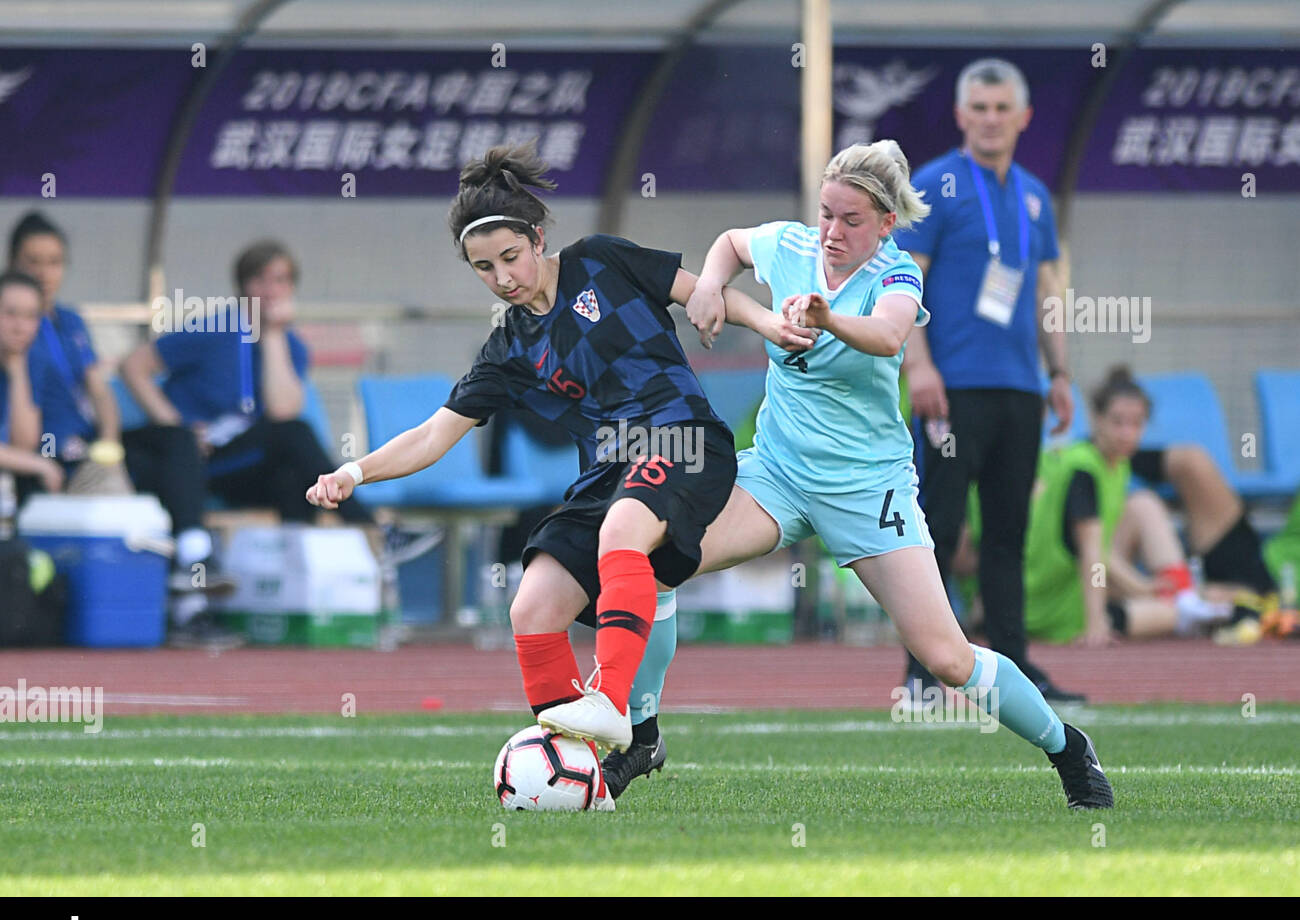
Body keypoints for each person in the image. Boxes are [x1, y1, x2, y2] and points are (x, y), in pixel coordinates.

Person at [616, 139, 1114, 810]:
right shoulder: (791, 247)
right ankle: (640, 737)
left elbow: (887, 336)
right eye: (826, 213)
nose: (832, 231)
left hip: (867, 489)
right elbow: (732, 244)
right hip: (779, 474)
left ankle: (1067, 748)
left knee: (947, 659)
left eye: (851, 220)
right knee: (655, 559)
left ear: (885, 223)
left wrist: (827, 318)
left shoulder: (898, 273)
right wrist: (709, 283)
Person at [306, 143, 749, 778]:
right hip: (607, 472)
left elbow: (701, 292)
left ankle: (614, 705)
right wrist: (352, 471)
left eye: (510, 257)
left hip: (683, 439)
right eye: (484, 268)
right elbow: (434, 435)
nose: (502, 276)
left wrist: (773, 326)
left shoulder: (600, 260)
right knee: (531, 605)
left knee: (624, 534)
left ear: (538, 239)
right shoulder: (510, 347)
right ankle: (583, 767)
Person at [893, 58, 1081, 703]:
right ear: (961, 115)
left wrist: (1058, 373)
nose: (991, 119)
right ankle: (922, 671)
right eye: (980, 107)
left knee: (1007, 535)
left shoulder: (1033, 195)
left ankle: (1017, 670)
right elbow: (904, 282)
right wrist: (918, 365)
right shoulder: (933, 185)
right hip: (952, 387)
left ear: (1023, 117)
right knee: (938, 527)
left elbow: (1044, 292)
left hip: (1020, 388)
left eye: (1003, 108)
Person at [120, 240, 380, 645]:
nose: (272, 290)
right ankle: (367, 527)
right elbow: (134, 366)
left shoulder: (289, 344)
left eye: (281, 281)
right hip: (183, 459)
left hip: (234, 463)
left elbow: (283, 411)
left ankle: (295, 602)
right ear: (243, 285)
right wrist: (176, 426)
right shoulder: (214, 329)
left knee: (293, 459)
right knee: (285, 441)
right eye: (262, 279)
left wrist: (273, 335)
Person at [1020, 368, 1235, 645]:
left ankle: (1183, 594)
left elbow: (1103, 551)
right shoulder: (1082, 469)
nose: (1127, 433)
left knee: (1145, 503)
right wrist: (1095, 624)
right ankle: (1183, 605)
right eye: (1118, 422)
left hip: (1081, 582)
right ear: (1096, 419)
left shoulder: (1117, 465)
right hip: (1054, 603)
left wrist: (1143, 587)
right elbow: (1090, 551)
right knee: (1172, 614)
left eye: (1136, 424)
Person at [8, 212, 128, 492]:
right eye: (33, 262)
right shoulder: (11, 333)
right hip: (48, 449)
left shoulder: (71, 321)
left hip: (85, 442)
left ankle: (189, 533)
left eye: (54, 262)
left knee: (172, 442)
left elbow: (98, 389)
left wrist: (109, 443)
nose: (43, 273)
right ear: (12, 264)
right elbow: (23, 440)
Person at [0, 269, 63, 496]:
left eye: (30, 316)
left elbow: (25, 444)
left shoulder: (34, 361)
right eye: (10, 314)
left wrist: (17, 370)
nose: (20, 327)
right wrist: (40, 464)